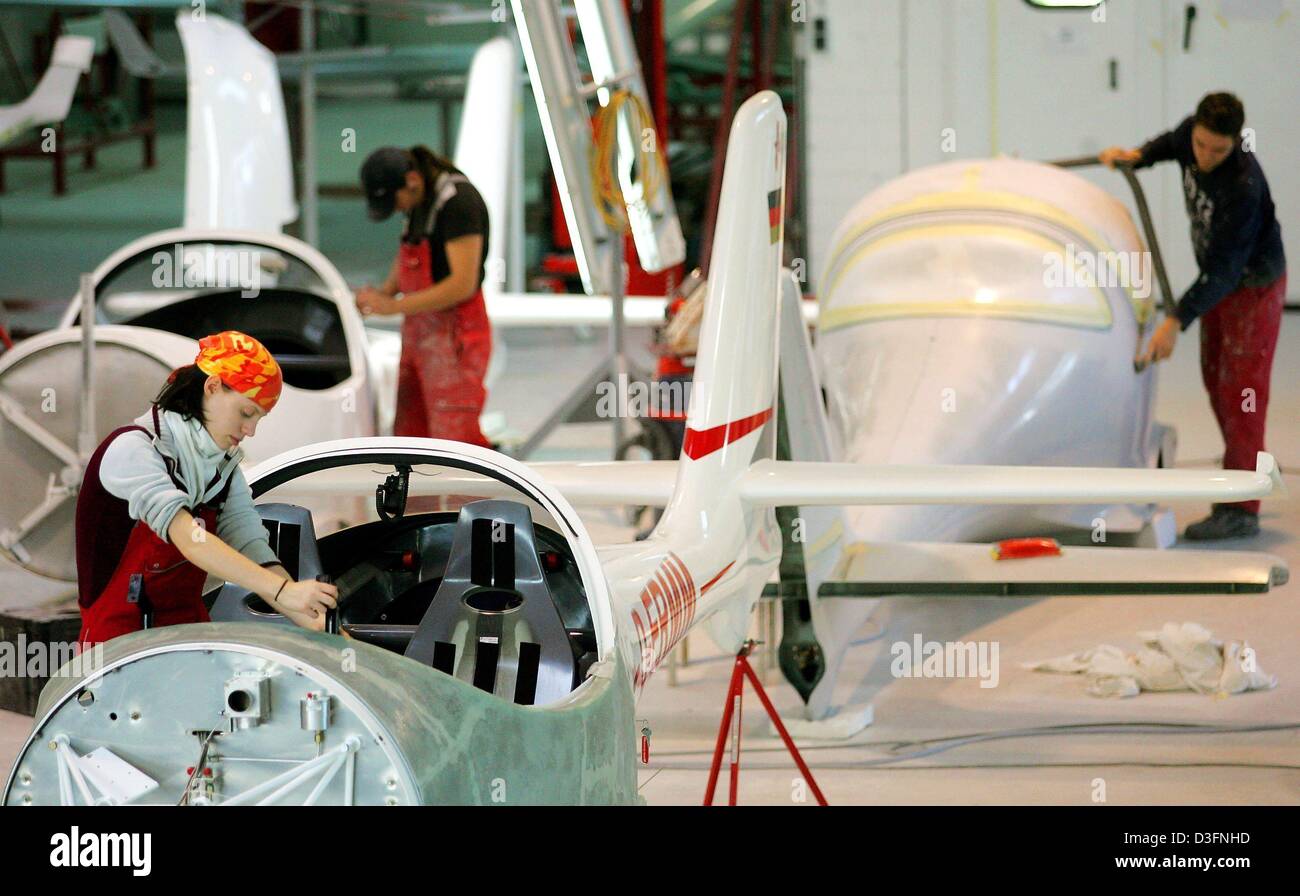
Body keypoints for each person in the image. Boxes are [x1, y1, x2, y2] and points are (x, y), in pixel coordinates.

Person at [1101, 92, 1286, 540]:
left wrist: (1174, 321)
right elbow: (1171, 143)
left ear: (1236, 142)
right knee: (1214, 382)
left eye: (1217, 150)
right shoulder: (1191, 133)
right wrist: (1138, 156)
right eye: (1201, 145)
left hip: (1252, 286)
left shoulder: (1242, 185)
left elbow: (1224, 271)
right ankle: (1246, 468)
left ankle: (1241, 507)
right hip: (1219, 282)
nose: (1204, 157)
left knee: (1241, 391)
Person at [75, 331, 338, 647]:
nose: (250, 430)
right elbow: (193, 541)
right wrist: (283, 592)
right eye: (246, 412)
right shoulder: (133, 450)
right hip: (119, 647)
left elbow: (253, 548)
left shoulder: (223, 469)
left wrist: (317, 623)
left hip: (189, 639)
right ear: (212, 387)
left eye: (259, 419)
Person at [356, 145, 493, 448]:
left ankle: (464, 498)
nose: (398, 209)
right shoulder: (417, 202)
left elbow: (462, 284)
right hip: (420, 340)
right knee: (411, 441)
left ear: (413, 180)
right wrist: (382, 292)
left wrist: (394, 306)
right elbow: (407, 254)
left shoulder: (459, 203)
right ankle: (414, 498)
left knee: (455, 446)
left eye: (396, 201)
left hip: (455, 341)